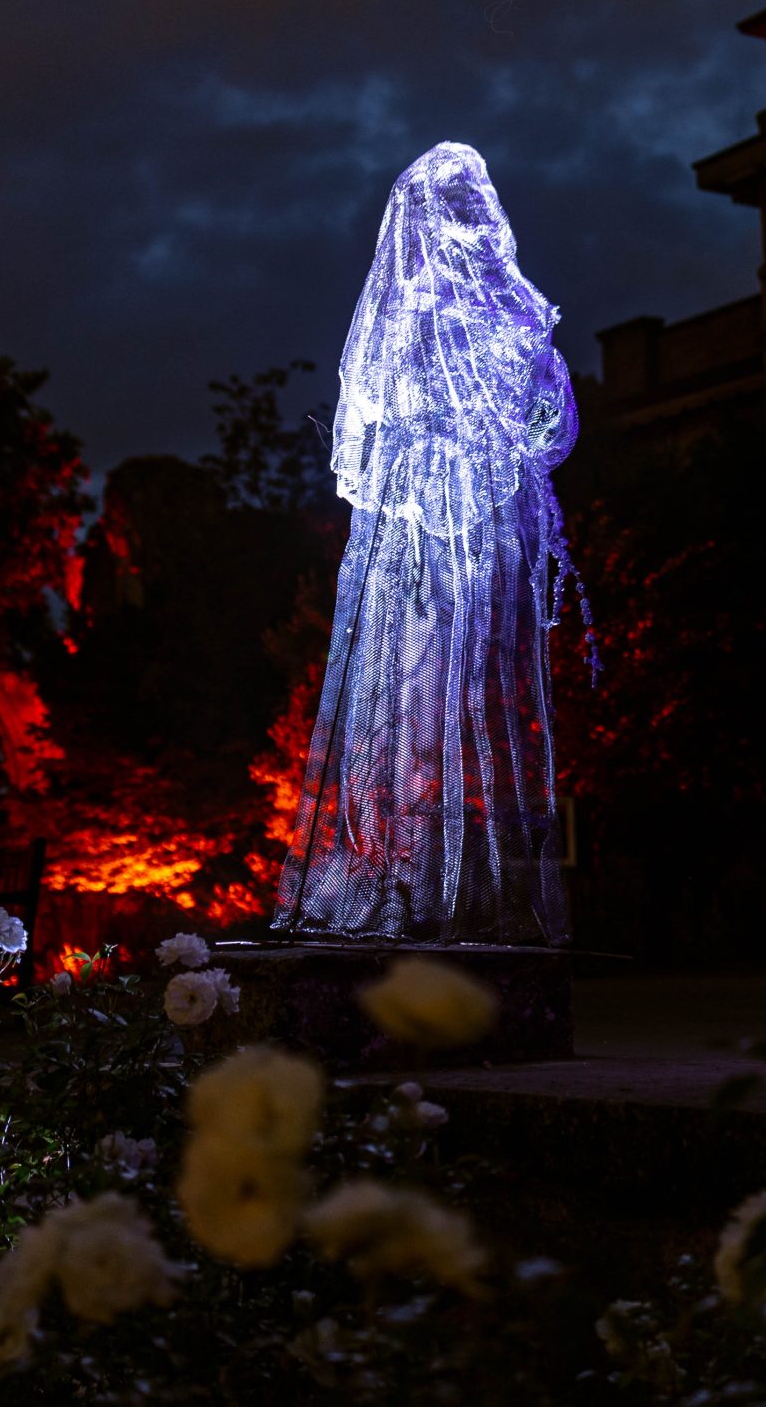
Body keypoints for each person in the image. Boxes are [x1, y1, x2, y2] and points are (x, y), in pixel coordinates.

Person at [272, 142, 579, 945]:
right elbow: (365, 435)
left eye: (473, 203)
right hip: (419, 549)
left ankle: (472, 885)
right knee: (413, 701)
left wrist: (517, 409)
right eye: (455, 206)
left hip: (482, 541)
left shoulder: (505, 315)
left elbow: (549, 422)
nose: (469, 220)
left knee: (480, 698)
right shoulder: (407, 320)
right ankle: (408, 875)